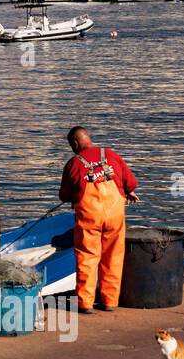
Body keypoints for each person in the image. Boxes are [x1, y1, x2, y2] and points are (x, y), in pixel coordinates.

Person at [58, 126, 139, 314]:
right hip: (114, 215)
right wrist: (128, 191)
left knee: (87, 257)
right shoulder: (110, 154)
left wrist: (74, 196)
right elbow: (131, 182)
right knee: (113, 257)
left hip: (89, 217)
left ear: (75, 143)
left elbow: (64, 195)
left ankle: (85, 303)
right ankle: (110, 301)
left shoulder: (73, 163)